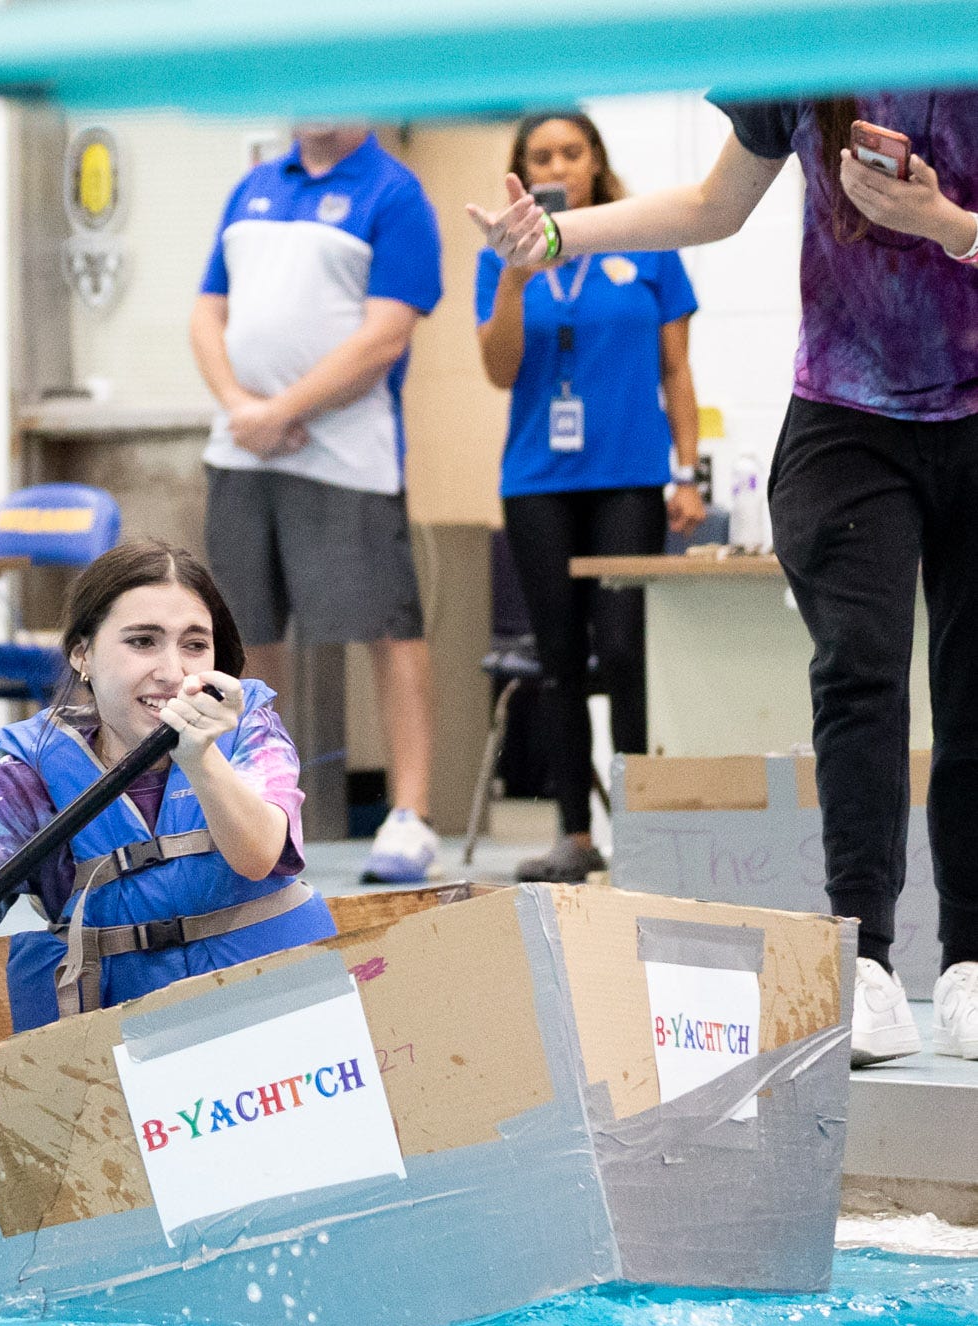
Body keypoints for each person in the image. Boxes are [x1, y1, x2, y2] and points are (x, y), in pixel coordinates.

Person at [470, 91, 978, 1066]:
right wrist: (556, 235)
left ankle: (972, 957)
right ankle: (864, 956)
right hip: (849, 414)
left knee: (972, 691)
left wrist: (946, 226)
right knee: (860, 670)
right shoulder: (812, 66)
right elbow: (714, 207)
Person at [0, 540, 333, 1030]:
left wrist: (200, 756)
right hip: (124, 1041)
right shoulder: (36, 768)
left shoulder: (249, 727)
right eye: (142, 642)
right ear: (81, 655)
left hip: (272, 1026)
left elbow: (259, 855)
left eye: (195, 645)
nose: (172, 673)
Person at [190, 120, 445, 885]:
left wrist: (284, 409)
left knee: (387, 627)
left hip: (347, 459)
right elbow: (207, 313)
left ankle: (411, 814)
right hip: (239, 448)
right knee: (245, 635)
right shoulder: (253, 186)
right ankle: (251, 806)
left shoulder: (395, 193)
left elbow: (384, 337)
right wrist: (241, 403)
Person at [475, 111, 705, 884]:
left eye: (572, 152)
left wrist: (688, 470)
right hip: (538, 483)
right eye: (541, 155)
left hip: (631, 477)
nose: (558, 166)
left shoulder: (646, 241)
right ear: (521, 169)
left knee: (630, 651)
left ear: (596, 162)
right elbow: (499, 371)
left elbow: (676, 370)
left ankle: (642, 831)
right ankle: (575, 832)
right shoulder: (501, 256)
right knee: (561, 660)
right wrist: (514, 273)